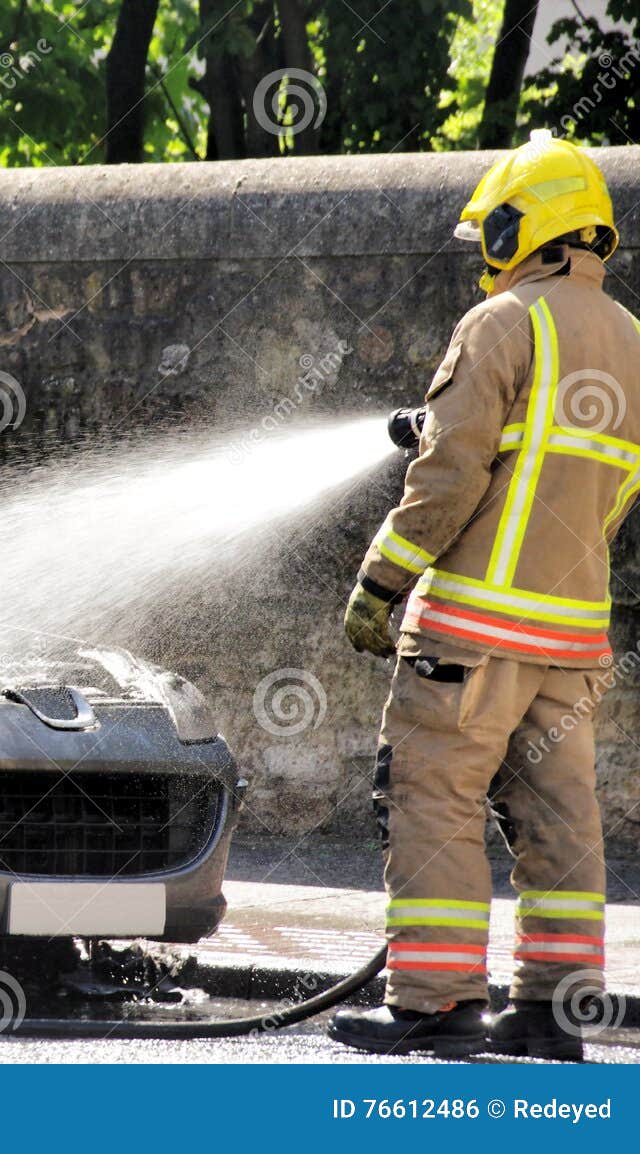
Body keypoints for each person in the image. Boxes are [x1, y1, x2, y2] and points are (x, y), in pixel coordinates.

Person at [331, 130, 638, 1060]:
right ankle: (554, 1011)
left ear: (529, 224)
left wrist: (382, 582)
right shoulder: (633, 342)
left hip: (467, 631)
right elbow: (613, 491)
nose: (489, 253)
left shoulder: (503, 324)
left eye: (496, 228)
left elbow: (448, 476)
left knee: (436, 799)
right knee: (560, 822)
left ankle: (434, 1001)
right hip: (570, 646)